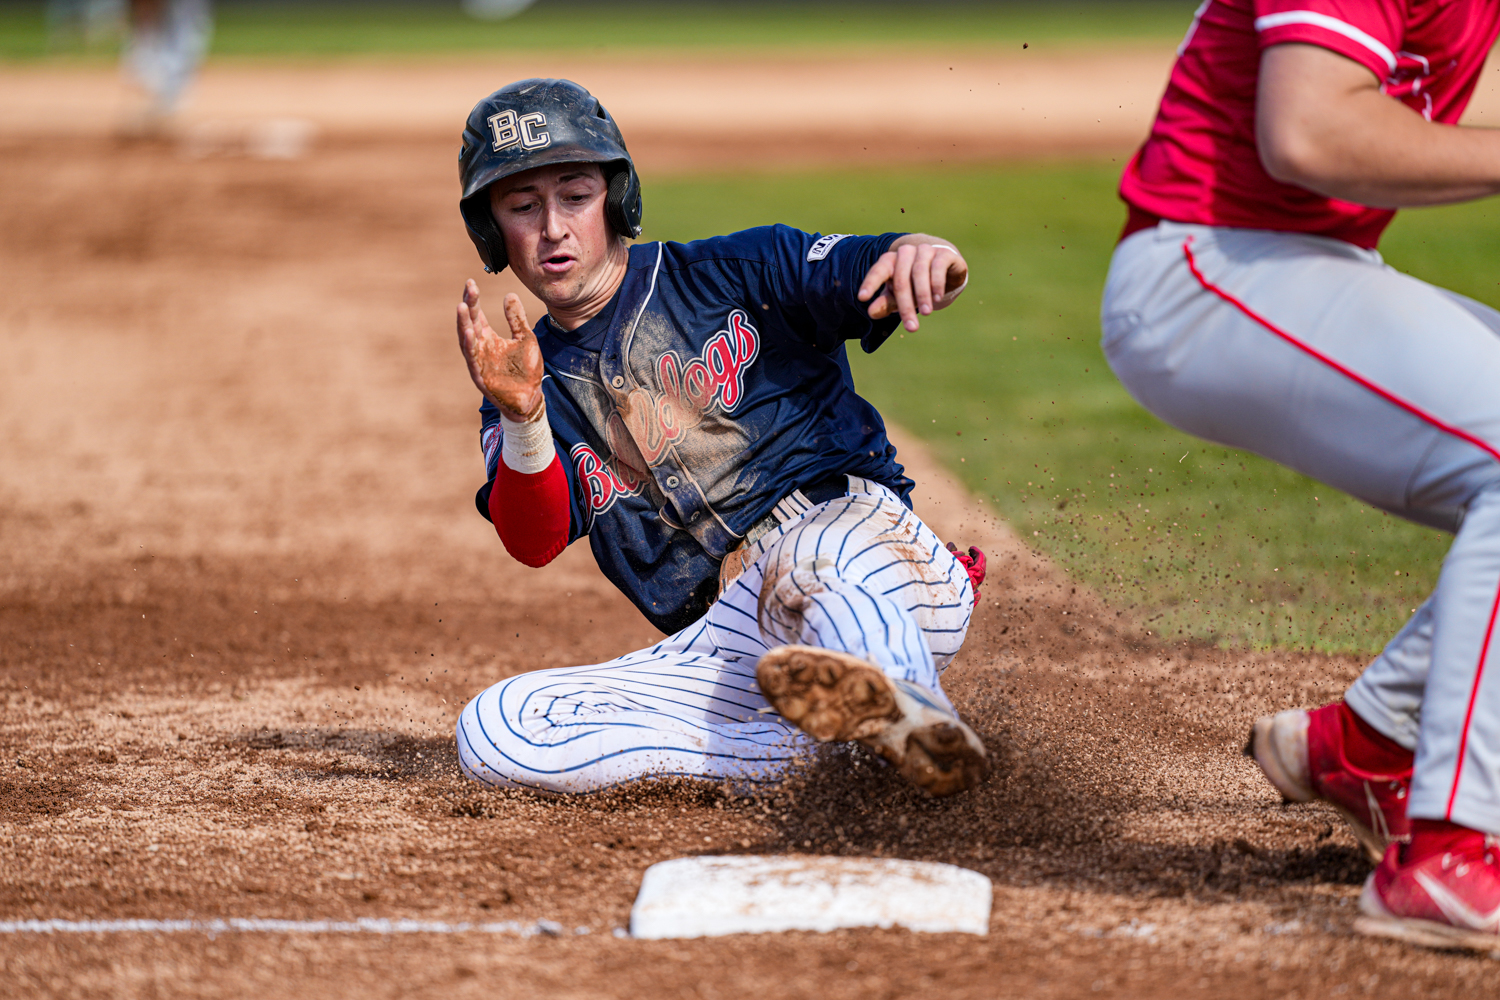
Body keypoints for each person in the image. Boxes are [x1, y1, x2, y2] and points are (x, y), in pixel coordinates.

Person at [450, 79, 989, 799]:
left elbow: (877, 265)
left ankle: (914, 715)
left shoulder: (736, 272)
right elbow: (534, 539)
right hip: (734, 642)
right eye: (522, 207)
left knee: (803, 570)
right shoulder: (530, 392)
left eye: (574, 195)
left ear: (615, 198)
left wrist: (925, 252)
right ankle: (819, 763)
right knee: (501, 727)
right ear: (492, 232)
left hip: (867, 558)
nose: (553, 227)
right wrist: (521, 417)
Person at [1103, 0, 1500, 951]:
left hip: (1299, 265)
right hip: (1205, 266)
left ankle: (1374, 745)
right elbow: (1309, 129)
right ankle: (1449, 852)